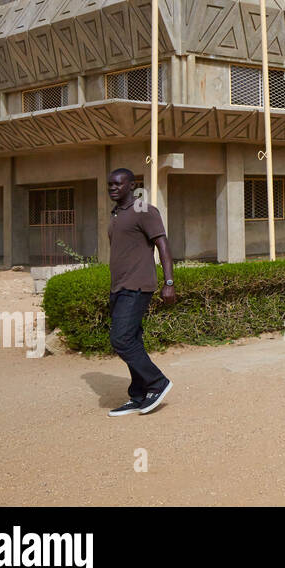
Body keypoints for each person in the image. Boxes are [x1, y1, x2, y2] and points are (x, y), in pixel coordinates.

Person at [105, 168, 175, 416]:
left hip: (137, 286)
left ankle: (157, 382)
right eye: (110, 184)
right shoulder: (116, 213)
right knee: (132, 339)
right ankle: (138, 395)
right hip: (119, 287)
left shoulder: (145, 210)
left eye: (118, 184)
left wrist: (169, 282)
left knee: (121, 339)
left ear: (132, 185)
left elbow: (163, 245)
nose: (112, 188)